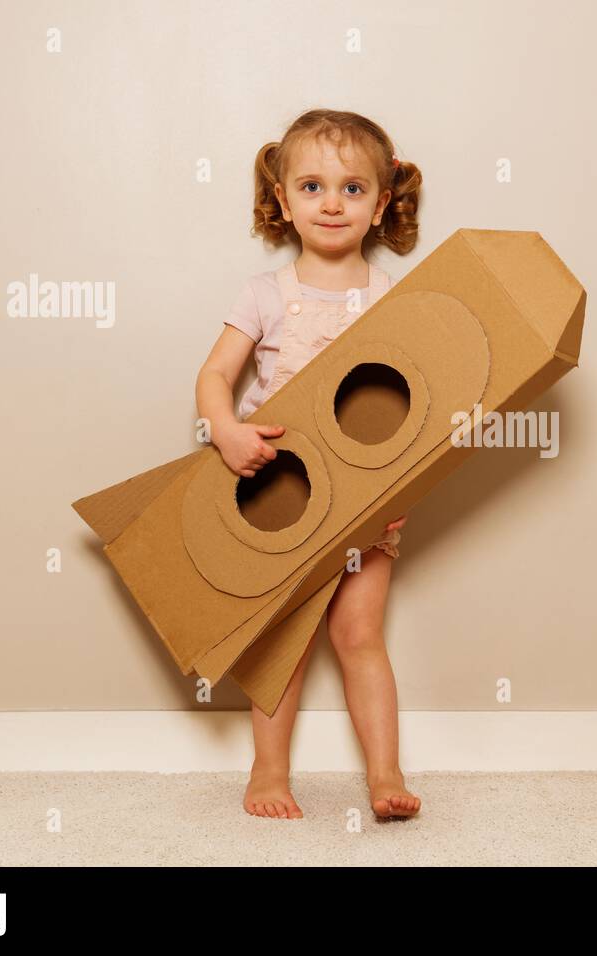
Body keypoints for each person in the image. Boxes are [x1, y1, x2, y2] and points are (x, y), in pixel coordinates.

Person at [195, 109, 423, 820]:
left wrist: (402, 490)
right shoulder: (266, 294)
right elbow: (212, 377)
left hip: (363, 500)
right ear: (284, 199)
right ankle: (268, 774)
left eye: (354, 189)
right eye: (314, 186)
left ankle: (386, 775)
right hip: (281, 496)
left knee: (358, 634)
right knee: (284, 642)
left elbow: (415, 405)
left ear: (381, 203)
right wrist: (226, 429)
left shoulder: (391, 298)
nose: (332, 203)